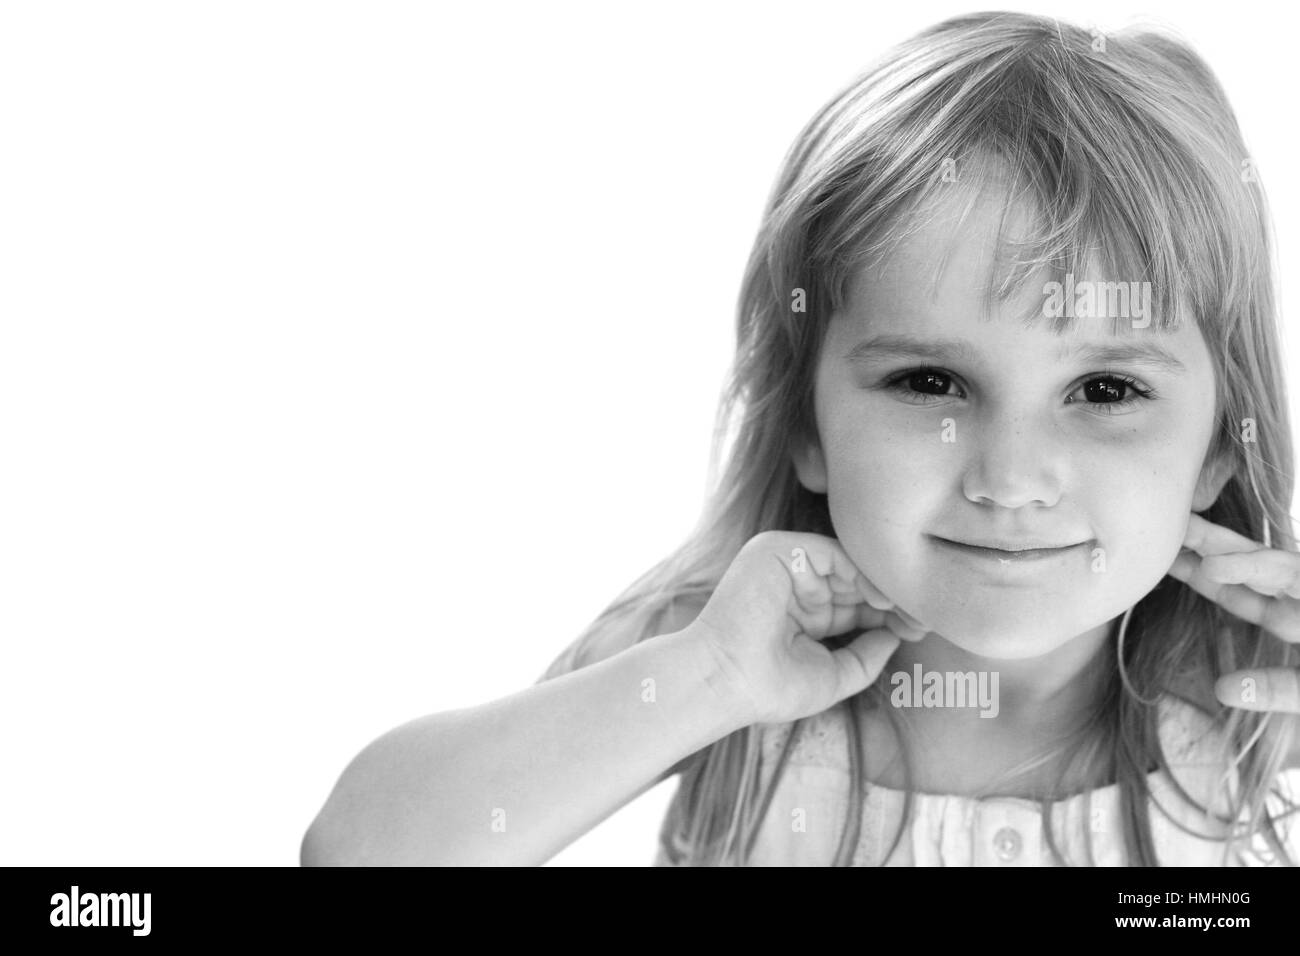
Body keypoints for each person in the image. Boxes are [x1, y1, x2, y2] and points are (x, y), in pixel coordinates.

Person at [301, 11, 1300, 866]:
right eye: (928, 381)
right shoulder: (714, 654)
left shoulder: (1262, 714)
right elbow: (357, 851)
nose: (1011, 476)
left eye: (1104, 387)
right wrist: (708, 678)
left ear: (1219, 440)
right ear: (802, 424)